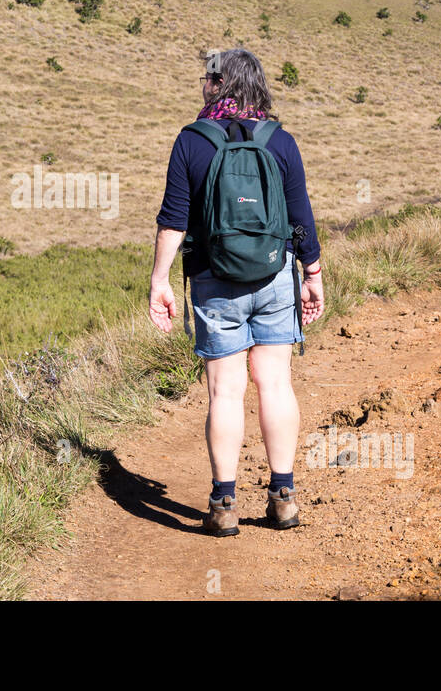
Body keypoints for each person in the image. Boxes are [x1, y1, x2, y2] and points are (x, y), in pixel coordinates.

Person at [149, 48, 322, 538]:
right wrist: (313, 274)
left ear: (220, 83)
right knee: (275, 384)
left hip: (213, 281)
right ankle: (283, 497)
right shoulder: (280, 141)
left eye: (208, 76)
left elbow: (172, 221)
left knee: (225, 391)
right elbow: (301, 219)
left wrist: (160, 281)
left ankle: (224, 503)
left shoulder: (191, 141)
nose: (202, 83)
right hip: (273, 279)